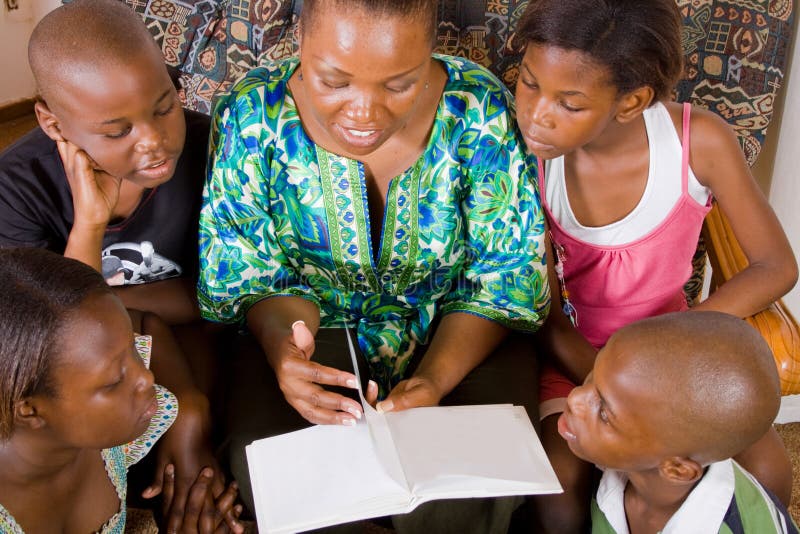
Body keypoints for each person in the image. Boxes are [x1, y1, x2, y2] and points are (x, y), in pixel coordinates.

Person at [198, 0, 549, 529]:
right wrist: (286, 353)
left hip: (456, 333)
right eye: (334, 81)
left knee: (463, 497)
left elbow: (505, 281)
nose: (364, 112)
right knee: (290, 485)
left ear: (430, 52)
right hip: (311, 331)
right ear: (301, 43)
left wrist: (432, 382)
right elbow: (246, 269)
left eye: (399, 84)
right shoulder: (253, 112)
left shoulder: (478, 110)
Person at [512, 0, 799, 531]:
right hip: (577, 358)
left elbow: (775, 266)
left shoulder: (699, 142)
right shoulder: (525, 158)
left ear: (632, 101)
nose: (536, 113)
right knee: (559, 483)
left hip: (676, 357)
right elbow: (546, 318)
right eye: (529, 83)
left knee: (767, 468)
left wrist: (670, 358)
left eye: (569, 103)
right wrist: (614, 386)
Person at [0, 247, 243, 533]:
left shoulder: (102, 427)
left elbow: (145, 323)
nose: (146, 376)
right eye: (114, 381)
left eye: (134, 349)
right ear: (28, 409)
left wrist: (189, 410)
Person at [0, 0, 209, 327]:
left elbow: (225, 301)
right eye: (117, 131)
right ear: (54, 125)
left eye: (165, 109)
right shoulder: (16, 187)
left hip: (200, 335)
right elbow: (58, 328)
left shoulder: (213, 149)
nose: (154, 141)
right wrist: (89, 224)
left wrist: (99, 300)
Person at [560, 311, 798, 534]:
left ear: (677, 470)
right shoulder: (619, 459)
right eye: (593, 375)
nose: (574, 399)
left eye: (603, 413)